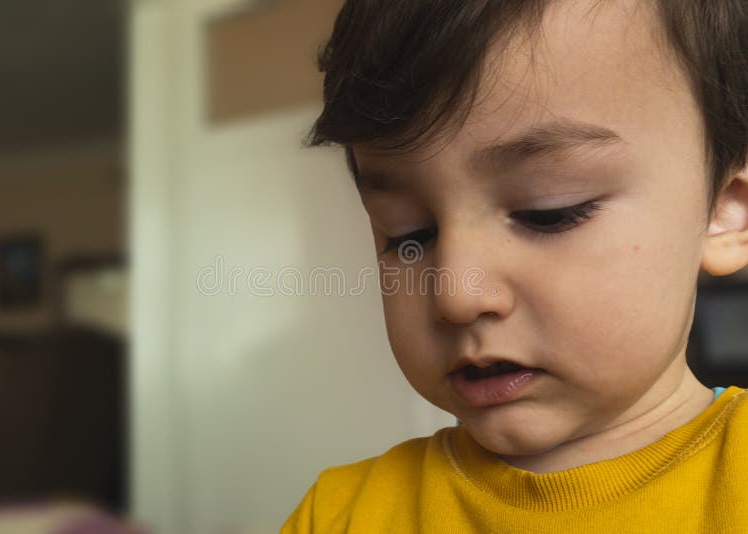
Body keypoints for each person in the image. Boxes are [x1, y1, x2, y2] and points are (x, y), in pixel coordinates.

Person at [282, 0, 748, 531]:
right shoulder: (341, 515)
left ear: (725, 212)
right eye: (409, 234)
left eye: (548, 213)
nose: (456, 295)